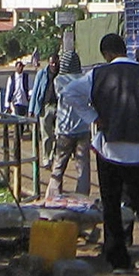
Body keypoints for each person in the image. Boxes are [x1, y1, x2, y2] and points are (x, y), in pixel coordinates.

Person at [80, 33, 139, 276]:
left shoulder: (96, 74)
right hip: (136, 151)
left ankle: (117, 260)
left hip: (107, 150)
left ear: (106, 54)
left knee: (111, 206)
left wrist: (94, 118)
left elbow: (68, 93)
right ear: (125, 50)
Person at [45, 50, 92, 198]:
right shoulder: (86, 80)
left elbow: (58, 96)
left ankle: (53, 195)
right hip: (83, 128)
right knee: (83, 167)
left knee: (58, 165)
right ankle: (83, 197)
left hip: (65, 129)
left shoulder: (59, 80)